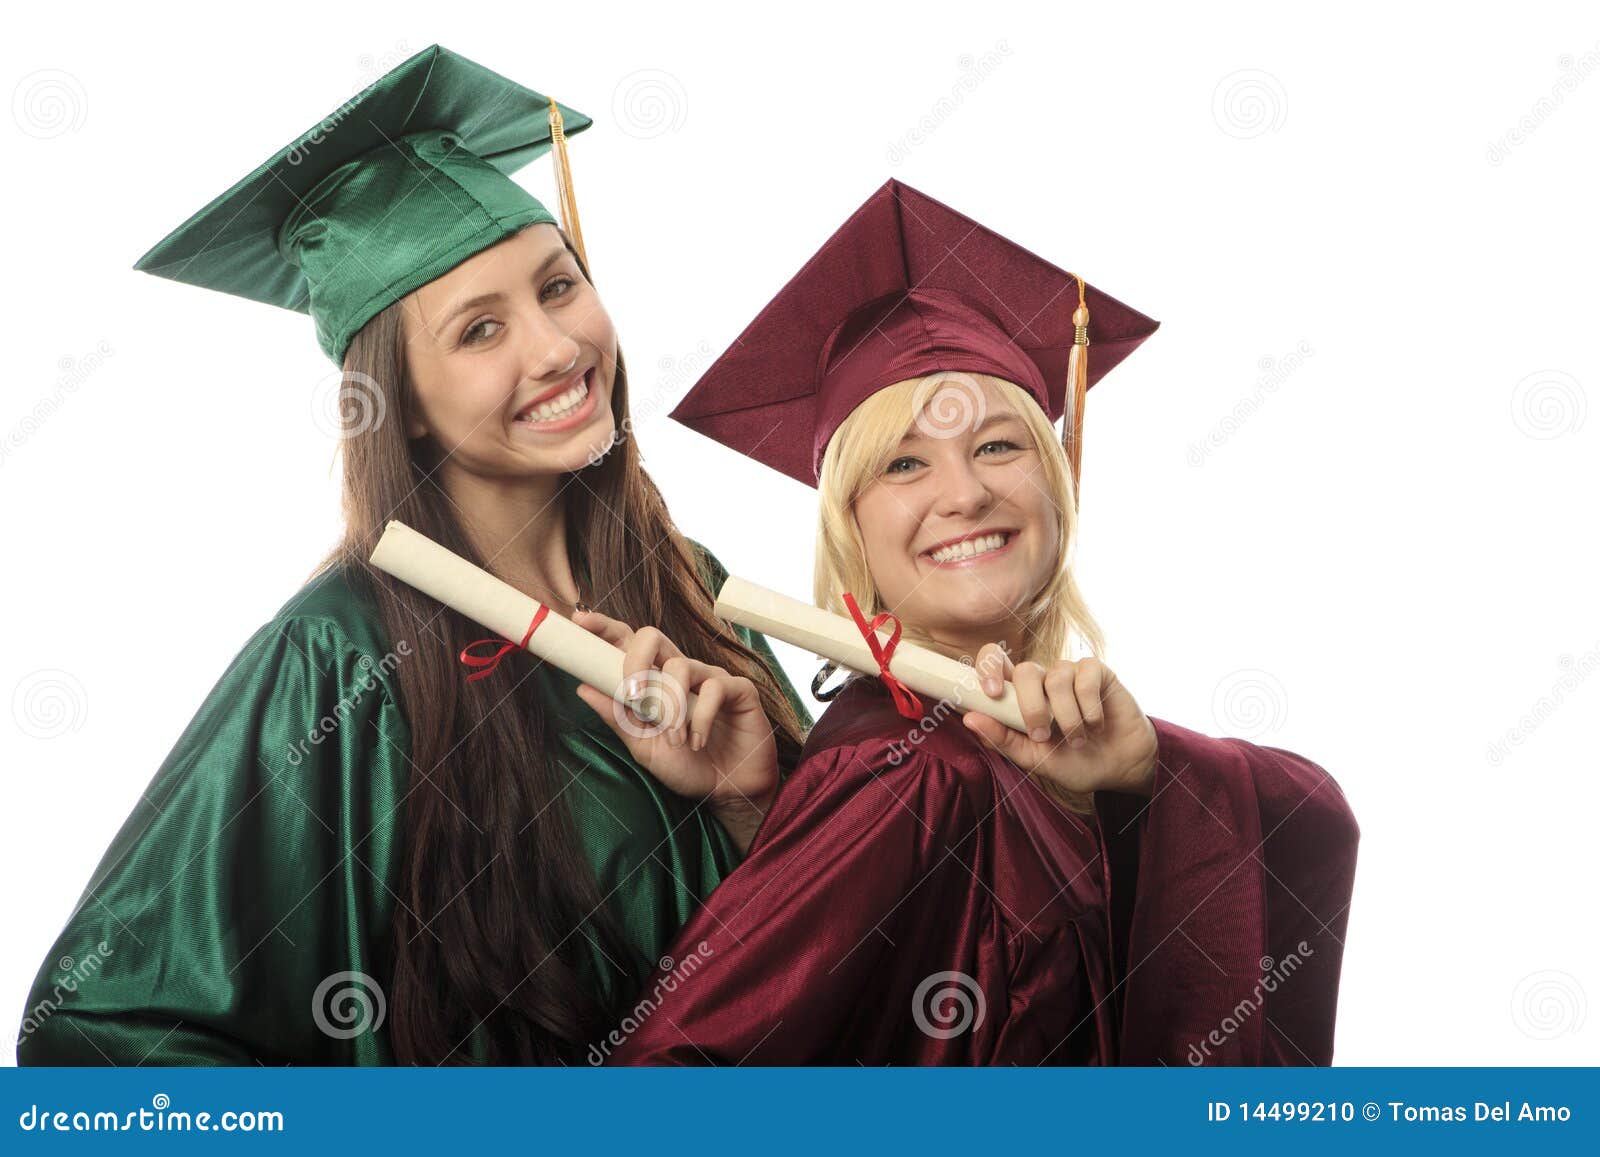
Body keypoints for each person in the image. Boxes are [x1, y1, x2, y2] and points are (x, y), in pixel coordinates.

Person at [15, 45, 809, 1067]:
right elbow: (101, 1036)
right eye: (480, 330)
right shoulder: (339, 657)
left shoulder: (692, 588)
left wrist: (751, 804)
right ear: (404, 408)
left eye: (559, 286)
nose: (557, 348)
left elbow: (837, 945)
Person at [597, 178, 1359, 1065]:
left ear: (1058, 474)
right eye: (904, 463)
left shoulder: (1013, 745)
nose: (964, 494)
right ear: (850, 523)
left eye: (998, 445)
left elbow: (1307, 822)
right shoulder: (915, 771)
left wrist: (1147, 769)